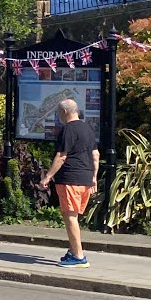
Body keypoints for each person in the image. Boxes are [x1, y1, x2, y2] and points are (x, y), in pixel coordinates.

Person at [39, 98, 99, 268]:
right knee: (74, 217)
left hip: (70, 179)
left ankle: (79, 257)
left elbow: (61, 156)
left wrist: (47, 177)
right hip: (85, 179)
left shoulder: (68, 129)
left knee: (70, 217)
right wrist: (94, 177)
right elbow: (95, 155)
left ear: (64, 112)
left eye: (58, 112)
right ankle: (72, 251)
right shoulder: (87, 128)